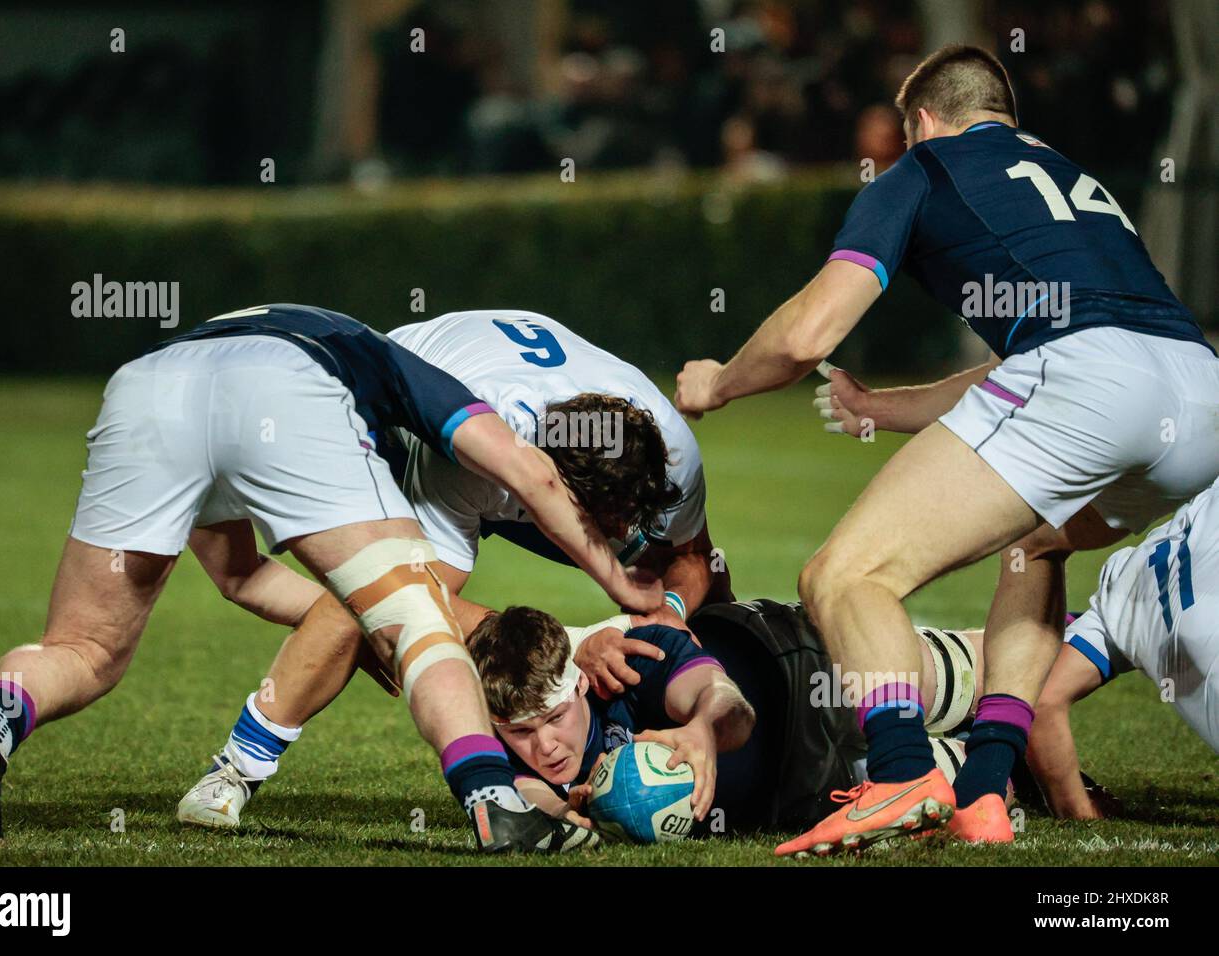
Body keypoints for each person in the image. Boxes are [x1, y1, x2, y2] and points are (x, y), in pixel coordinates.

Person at [673, 44, 1219, 855]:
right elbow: (1063, 361)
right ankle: (985, 791)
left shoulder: (921, 170)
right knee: (1035, 546)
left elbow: (808, 333)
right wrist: (879, 407)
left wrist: (718, 382)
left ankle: (898, 774)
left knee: (846, 576)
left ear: (920, 123)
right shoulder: (1074, 180)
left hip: (1086, 380)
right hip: (1198, 394)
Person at [0, 303, 661, 853]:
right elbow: (531, 473)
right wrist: (619, 584)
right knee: (419, 623)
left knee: (84, 649)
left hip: (147, 389)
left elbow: (242, 577)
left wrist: (362, 612)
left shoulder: (250, 335)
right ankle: (494, 802)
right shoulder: (409, 371)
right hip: (286, 390)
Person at [176, 309, 729, 829]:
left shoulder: (667, 453)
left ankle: (717, 733)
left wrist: (663, 617)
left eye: (624, 519)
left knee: (704, 584)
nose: (614, 538)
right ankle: (238, 767)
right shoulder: (473, 457)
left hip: (520, 414)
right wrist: (574, 641)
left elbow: (691, 559)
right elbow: (416, 599)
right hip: (408, 427)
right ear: (550, 490)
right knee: (378, 590)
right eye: (598, 525)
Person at [469, 600, 983, 842]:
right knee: (975, 783)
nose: (545, 746)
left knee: (983, 674)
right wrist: (564, 807)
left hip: (801, 668)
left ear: (580, 683)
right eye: (520, 732)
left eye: (555, 718)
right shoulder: (489, 745)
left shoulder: (629, 663)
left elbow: (728, 704)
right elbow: (515, 800)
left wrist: (701, 731)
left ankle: (1067, 627)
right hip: (810, 791)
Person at [1028, 477, 1219, 818]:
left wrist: (1076, 807)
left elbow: (1041, 702)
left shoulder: (1122, 591)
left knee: (1014, 671)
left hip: (1134, 596)